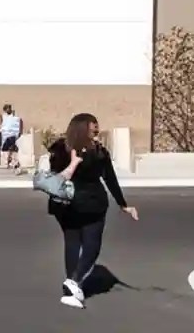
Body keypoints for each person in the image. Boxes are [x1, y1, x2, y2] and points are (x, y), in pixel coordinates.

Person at [46, 113, 138, 309]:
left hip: (65, 204)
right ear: (83, 128)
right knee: (91, 246)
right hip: (91, 205)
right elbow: (109, 179)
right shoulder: (96, 151)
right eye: (93, 126)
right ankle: (74, 282)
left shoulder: (62, 149)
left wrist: (123, 204)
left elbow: (54, 176)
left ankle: (71, 285)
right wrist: (123, 204)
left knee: (71, 243)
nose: (96, 130)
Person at [0, 104, 24, 174]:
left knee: (13, 149)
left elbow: (20, 122)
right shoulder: (4, 117)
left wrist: (20, 132)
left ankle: (15, 164)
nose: (8, 110)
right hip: (6, 136)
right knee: (8, 150)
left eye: (9, 108)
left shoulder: (16, 116)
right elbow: (2, 125)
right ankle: (13, 163)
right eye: (6, 109)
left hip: (13, 135)